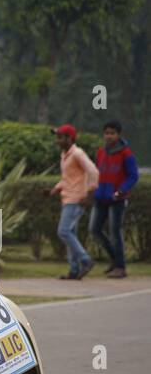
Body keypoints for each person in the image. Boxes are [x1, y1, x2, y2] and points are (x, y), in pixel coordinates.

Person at [47, 124, 99, 280]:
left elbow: (93, 171)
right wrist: (54, 190)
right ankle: (74, 270)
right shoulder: (65, 155)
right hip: (68, 198)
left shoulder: (77, 153)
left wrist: (90, 193)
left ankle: (86, 260)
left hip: (77, 199)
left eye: (60, 137)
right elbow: (67, 179)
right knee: (71, 233)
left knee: (63, 231)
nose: (57, 141)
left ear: (70, 138)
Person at [91, 120, 139, 279]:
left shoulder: (126, 153)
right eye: (106, 133)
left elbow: (133, 176)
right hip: (100, 197)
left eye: (112, 133)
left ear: (119, 135)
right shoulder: (100, 152)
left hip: (117, 199)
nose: (109, 136)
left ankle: (120, 267)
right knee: (94, 229)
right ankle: (115, 258)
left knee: (115, 232)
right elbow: (97, 172)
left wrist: (121, 191)